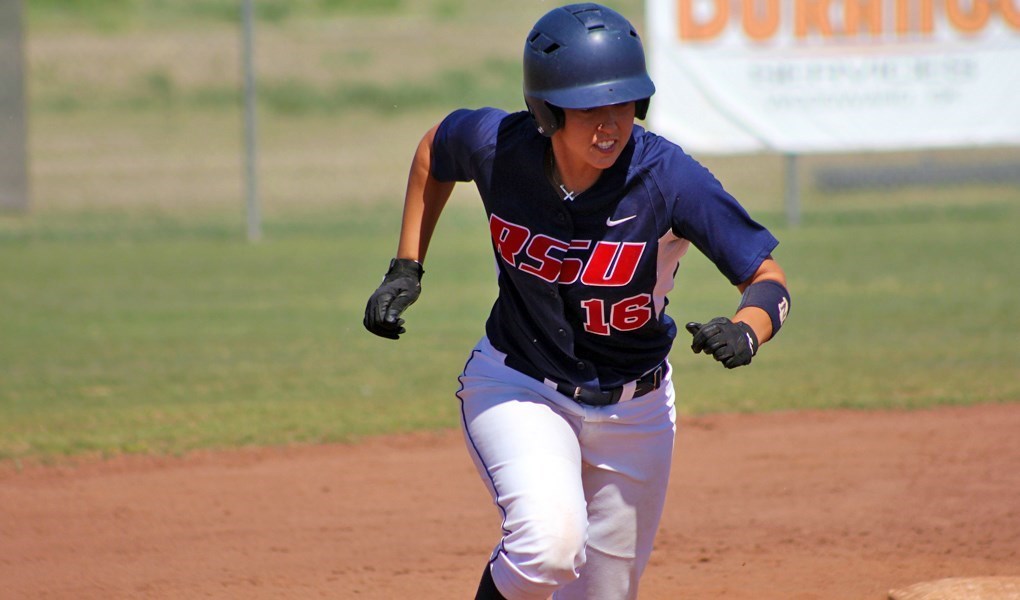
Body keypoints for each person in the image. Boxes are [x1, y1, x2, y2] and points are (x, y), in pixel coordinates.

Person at [363, 3, 791, 598]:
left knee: (602, 594)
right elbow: (437, 150)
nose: (610, 124)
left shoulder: (668, 179)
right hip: (521, 385)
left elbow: (767, 278)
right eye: (590, 108)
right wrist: (406, 267)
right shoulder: (500, 148)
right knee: (546, 548)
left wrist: (749, 329)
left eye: (622, 103)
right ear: (547, 111)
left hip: (636, 412)